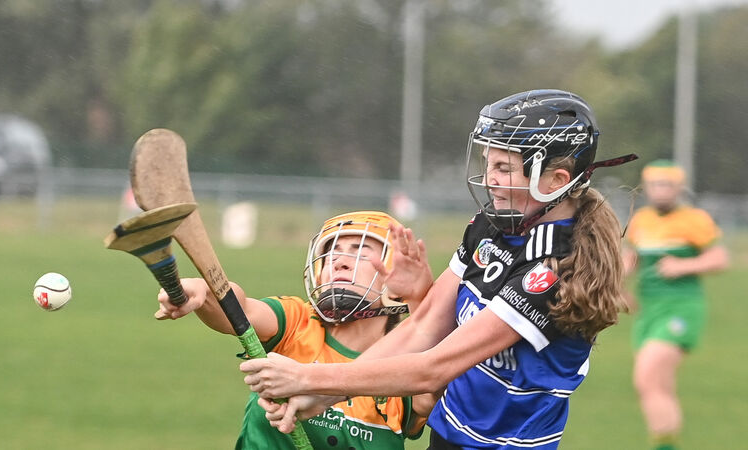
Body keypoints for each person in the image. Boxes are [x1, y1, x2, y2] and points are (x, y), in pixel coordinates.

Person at [240, 89, 639, 449]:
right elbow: (424, 324)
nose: (490, 181)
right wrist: (324, 396)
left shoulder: (554, 268)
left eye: (504, 168)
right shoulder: (491, 226)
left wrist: (309, 378)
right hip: (449, 434)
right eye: (488, 164)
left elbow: (435, 368)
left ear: (555, 180)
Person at [155, 210, 434, 449]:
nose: (340, 261)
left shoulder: (406, 367)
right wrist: (204, 291)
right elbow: (238, 309)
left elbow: (436, 371)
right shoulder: (297, 320)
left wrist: (420, 297)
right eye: (332, 253)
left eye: (361, 252)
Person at [622, 160, 729, 450]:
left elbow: (719, 258)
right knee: (659, 388)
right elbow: (630, 261)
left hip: (681, 308)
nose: (661, 191)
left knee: (646, 377)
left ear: (679, 188)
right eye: (655, 185)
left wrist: (684, 265)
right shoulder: (642, 220)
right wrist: (615, 288)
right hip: (649, 311)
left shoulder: (694, 219)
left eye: (667, 185)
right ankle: (668, 445)